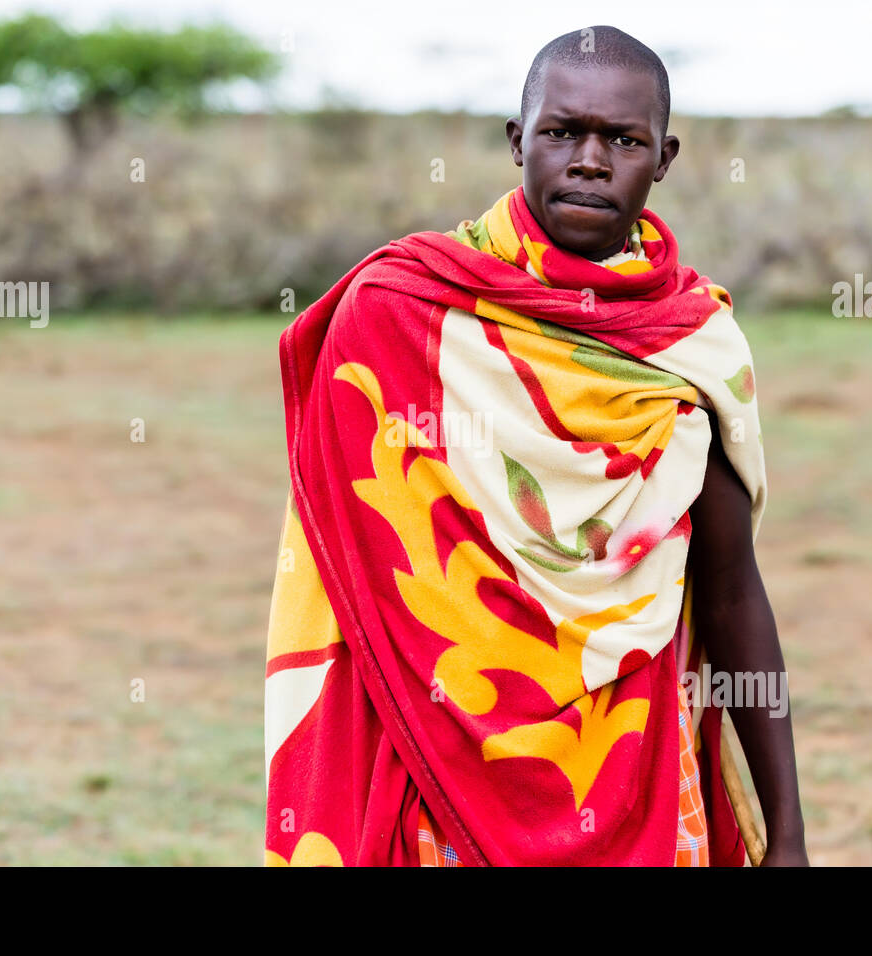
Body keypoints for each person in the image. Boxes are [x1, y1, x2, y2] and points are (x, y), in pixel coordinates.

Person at [263, 24, 807, 866]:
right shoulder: (399, 312)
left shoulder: (694, 346)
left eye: (622, 140)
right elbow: (356, 586)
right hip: (437, 768)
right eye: (562, 133)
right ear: (518, 141)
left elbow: (732, 589)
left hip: (637, 770)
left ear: (664, 158)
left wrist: (789, 836)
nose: (590, 160)